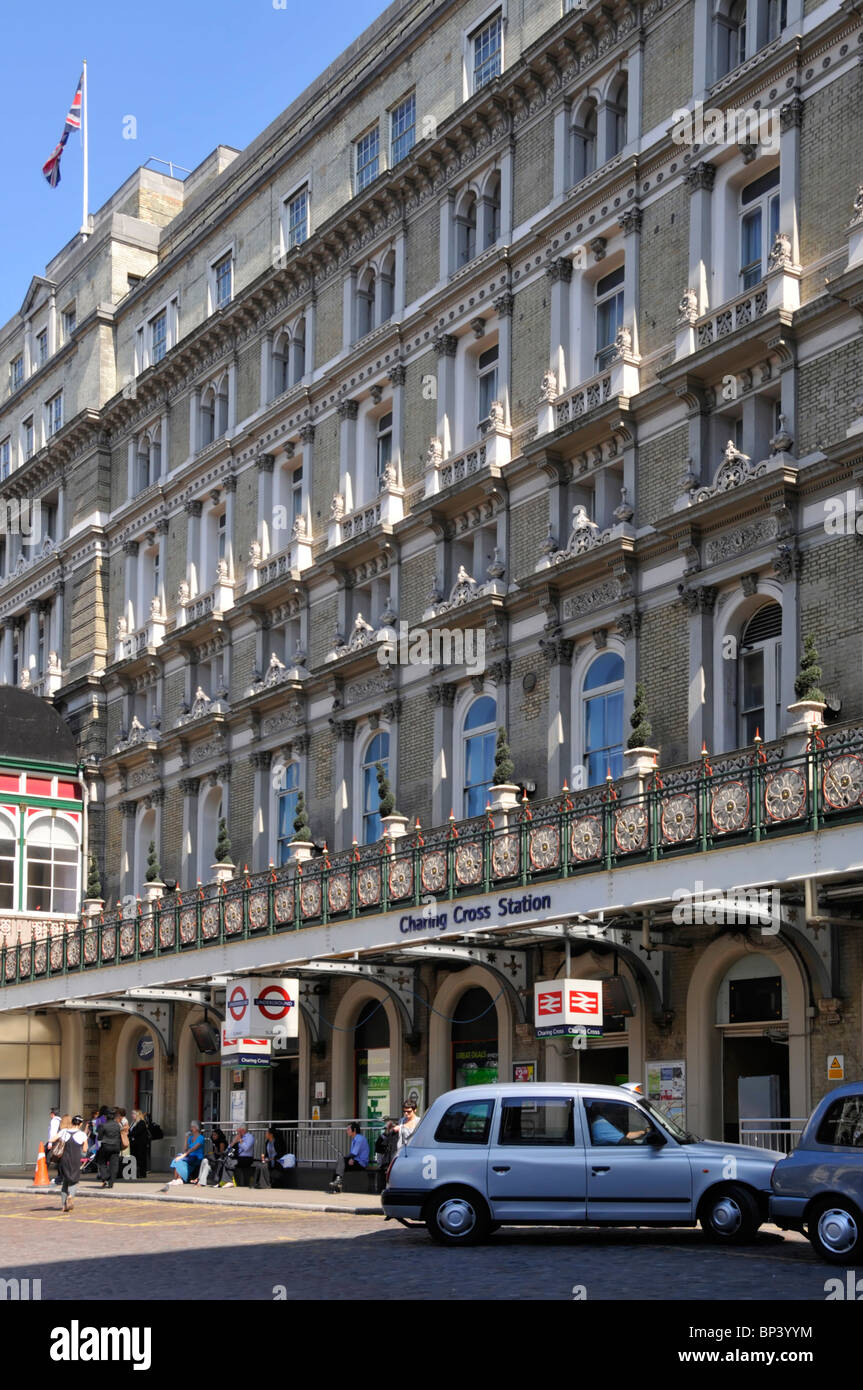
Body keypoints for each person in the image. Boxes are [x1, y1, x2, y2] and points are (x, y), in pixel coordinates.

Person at [55, 1114, 87, 1212]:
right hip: (75, 1159)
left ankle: (63, 1206)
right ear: (80, 1124)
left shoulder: (64, 1132)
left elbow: (52, 1139)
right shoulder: (82, 1134)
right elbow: (85, 1149)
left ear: (72, 1122)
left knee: (65, 1181)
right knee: (73, 1181)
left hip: (64, 1159)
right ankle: (70, 1196)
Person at [329, 1122, 369, 1194]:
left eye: (348, 1129)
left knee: (341, 1161)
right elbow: (354, 1154)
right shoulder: (354, 1139)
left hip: (361, 1164)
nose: (347, 1131)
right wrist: (351, 1159)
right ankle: (336, 1184)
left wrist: (350, 1158)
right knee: (339, 1164)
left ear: (354, 1130)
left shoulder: (359, 1138)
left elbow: (353, 1153)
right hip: (356, 1161)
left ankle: (337, 1183)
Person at [164, 1122, 205, 1188]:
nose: (191, 1128)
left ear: (197, 1128)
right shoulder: (190, 1138)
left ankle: (180, 1179)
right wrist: (186, 1138)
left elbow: (193, 1149)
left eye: (193, 1127)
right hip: (189, 1155)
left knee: (181, 1160)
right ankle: (175, 1179)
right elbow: (185, 1149)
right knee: (176, 1159)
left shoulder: (201, 1138)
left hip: (196, 1157)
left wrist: (182, 1156)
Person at [97, 1109, 123, 1188]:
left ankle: (105, 1176)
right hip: (116, 1146)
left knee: (101, 1161)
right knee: (114, 1164)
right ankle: (111, 1182)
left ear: (106, 1117)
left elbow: (99, 1138)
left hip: (106, 1146)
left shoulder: (103, 1125)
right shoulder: (118, 1125)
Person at [374, 1120, 400, 1193]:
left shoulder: (396, 1136)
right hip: (386, 1160)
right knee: (382, 1171)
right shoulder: (384, 1136)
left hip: (390, 1160)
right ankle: (381, 1189)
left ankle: (382, 1189)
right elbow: (378, 1149)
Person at [128, 1109, 150, 1179]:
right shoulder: (133, 1122)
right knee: (134, 1158)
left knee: (141, 1159)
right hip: (134, 1144)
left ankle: (141, 1173)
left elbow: (137, 1132)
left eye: (133, 1114)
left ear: (137, 1115)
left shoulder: (141, 1123)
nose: (132, 1115)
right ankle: (134, 1173)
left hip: (140, 1145)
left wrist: (129, 1134)